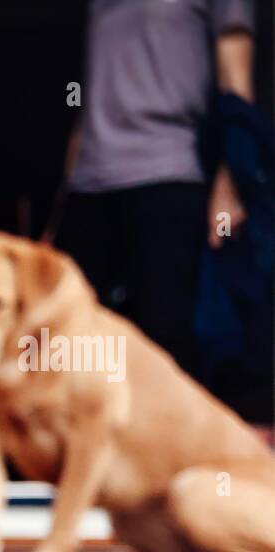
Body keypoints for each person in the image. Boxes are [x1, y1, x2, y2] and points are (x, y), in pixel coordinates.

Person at [53, 0, 256, 383]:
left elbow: (237, 87)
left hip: (168, 171)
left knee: (166, 345)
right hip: (90, 181)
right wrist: (60, 212)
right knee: (71, 349)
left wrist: (232, 182)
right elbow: (86, 97)